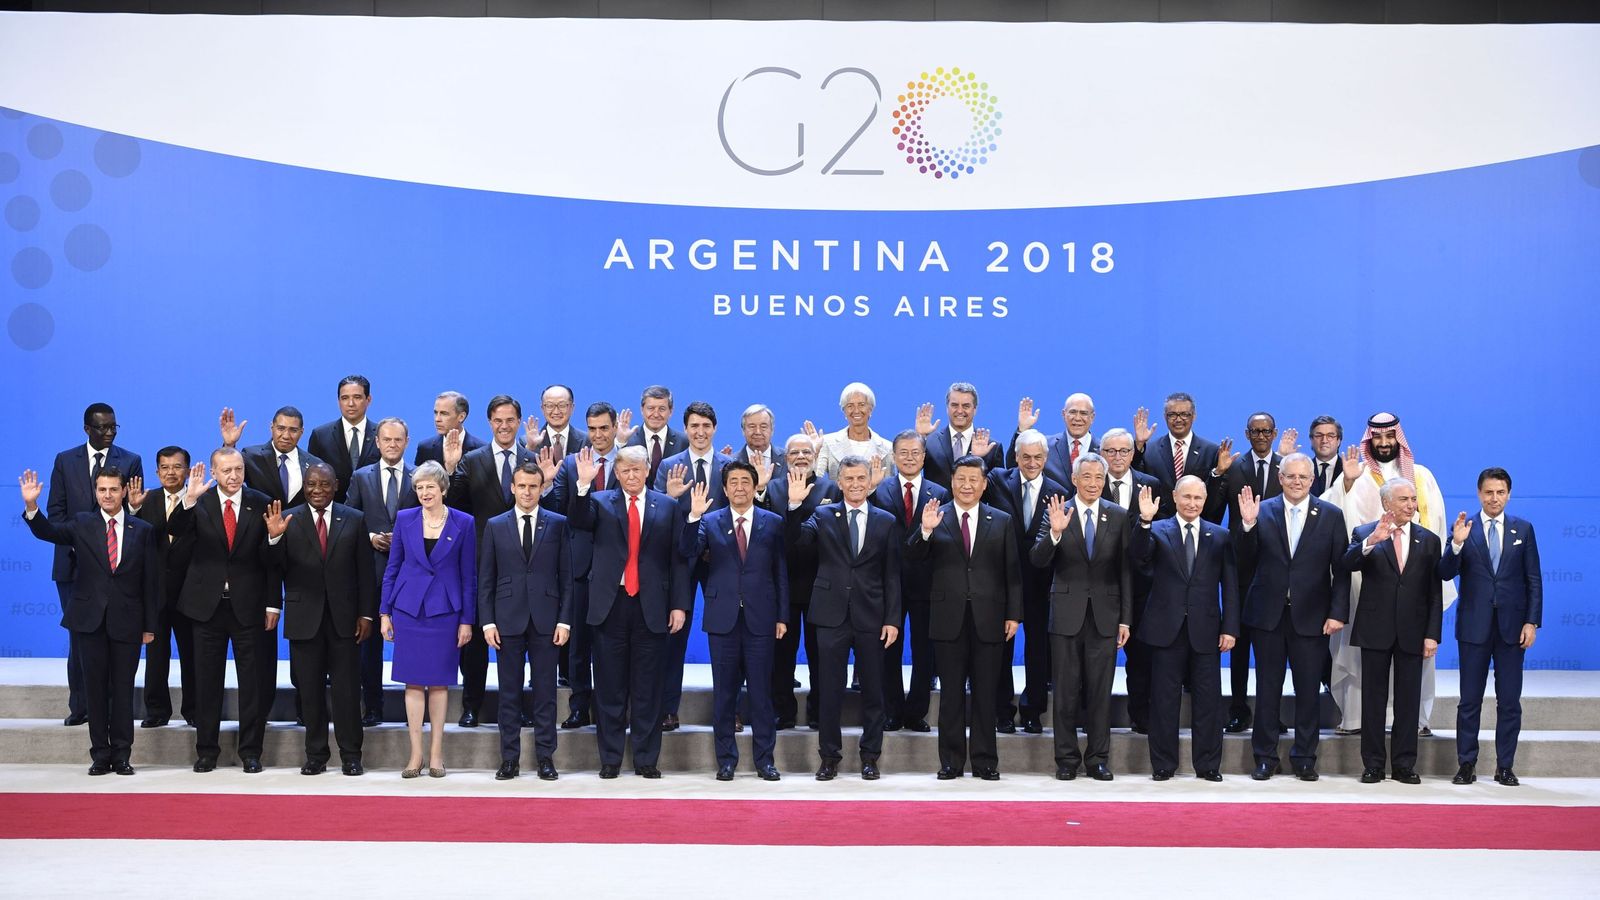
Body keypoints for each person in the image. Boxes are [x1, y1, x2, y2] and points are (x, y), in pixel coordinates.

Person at [21, 466, 157, 775]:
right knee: (94, 689)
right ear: (96, 492)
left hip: (127, 622)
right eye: (102, 490)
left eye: (113, 489)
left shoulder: (142, 529)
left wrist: (149, 626)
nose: (107, 495)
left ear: (124, 491)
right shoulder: (82, 523)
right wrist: (31, 506)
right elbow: (48, 532)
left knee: (123, 690)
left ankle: (122, 755)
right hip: (88, 622)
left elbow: (151, 582)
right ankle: (100, 755)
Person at [1324, 412, 1452, 734]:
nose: (1383, 443)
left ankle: (1414, 722)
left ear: (1399, 439)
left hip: (1414, 584)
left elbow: (1436, 526)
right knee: (1366, 659)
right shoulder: (1357, 473)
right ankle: (1357, 718)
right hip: (1367, 583)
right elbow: (1331, 515)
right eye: (1377, 437)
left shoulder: (1421, 476)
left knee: (1415, 656)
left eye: (1389, 436)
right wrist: (1346, 483)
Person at [569, 445, 689, 779]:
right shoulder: (598, 502)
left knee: (648, 688)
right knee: (609, 687)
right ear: (617, 473)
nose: (632, 476)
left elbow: (678, 559)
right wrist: (583, 485)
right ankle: (610, 759)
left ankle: (646, 759)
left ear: (647, 471)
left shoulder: (668, 506)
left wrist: (679, 605)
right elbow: (578, 522)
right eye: (625, 470)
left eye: (637, 469)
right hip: (610, 605)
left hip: (652, 605)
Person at [785, 455, 901, 782]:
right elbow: (797, 543)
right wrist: (794, 507)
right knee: (829, 691)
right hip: (830, 616)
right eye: (849, 479)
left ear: (870, 481)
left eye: (861, 478)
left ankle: (870, 757)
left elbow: (892, 575)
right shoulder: (822, 515)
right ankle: (829, 757)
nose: (855, 484)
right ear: (839, 482)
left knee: (874, 692)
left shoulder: (886, 520)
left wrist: (892, 619)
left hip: (872, 617)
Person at [905, 455, 1020, 780]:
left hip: (990, 618)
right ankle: (951, 762)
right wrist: (925, 531)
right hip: (948, 619)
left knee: (986, 694)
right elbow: (912, 558)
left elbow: (1013, 573)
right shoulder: (934, 515)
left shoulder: (1001, 520)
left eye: (973, 480)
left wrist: (1014, 614)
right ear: (951, 482)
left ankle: (985, 762)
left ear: (984, 485)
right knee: (951, 694)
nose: (967, 485)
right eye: (961, 479)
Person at [1235, 454, 1349, 781]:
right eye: (1290, 476)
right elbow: (1242, 560)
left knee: (1308, 692)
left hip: (1312, 618)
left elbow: (1341, 569)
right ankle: (1265, 758)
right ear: (1280, 478)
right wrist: (1247, 526)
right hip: (1267, 617)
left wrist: (1337, 613)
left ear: (1312, 480)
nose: (1297, 481)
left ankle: (1304, 758)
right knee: (1267, 690)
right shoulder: (1261, 510)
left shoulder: (1330, 515)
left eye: (1303, 476)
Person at [167, 448, 279, 773]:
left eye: (238, 469)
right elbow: (174, 531)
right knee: (206, 682)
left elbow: (272, 563)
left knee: (252, 683)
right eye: (226, 470)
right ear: (214, 473)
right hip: (206, 607)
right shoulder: (197, 501)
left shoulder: (261, 502)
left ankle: (251, 752)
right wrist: (188, 500)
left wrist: (273, 601)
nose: (233, 476)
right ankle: (206, 752)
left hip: (250, 607)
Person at [681, 462, 788, 781]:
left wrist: (782, 616)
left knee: (761, 693)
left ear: (755, 487)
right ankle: (726, 760)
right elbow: (688, 550)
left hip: (761, 618)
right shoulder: (709, 521)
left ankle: (765, 761)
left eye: (745, 481)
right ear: (725, 489)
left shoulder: (773, 522)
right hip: (722, 619)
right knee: (725, 693)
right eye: (733, 482)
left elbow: (780, 572)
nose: (739, 487)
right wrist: (693, 517)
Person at [269, 463, 377, 776]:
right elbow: (274, 569)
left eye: (324, 484)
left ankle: (351, 755)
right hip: (304, 620)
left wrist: (366, 613)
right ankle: (316, 755)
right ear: (304, 486)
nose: (317, 490)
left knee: (347, 692)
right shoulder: (288, 519)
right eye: (311, 484)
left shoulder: (354, 518)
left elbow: (365, 572)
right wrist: (274, 539)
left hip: (345, 621)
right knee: (310, 692)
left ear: (336, 486)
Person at [1439, 467, 1542, 787]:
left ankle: (1505, 766)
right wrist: (1456, 545)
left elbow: (1533, 580)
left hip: (1512, 629)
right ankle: (1466, 764)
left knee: (1509, 702)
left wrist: (1532, 621)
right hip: (1474, 628)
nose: (1494, 498)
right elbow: (1444, 572)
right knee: (1469, 701)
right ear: (1479, 493)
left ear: (1508, 494)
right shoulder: (1464, 528)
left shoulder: (1523, 529)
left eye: (1500, 492)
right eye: (1488, 492)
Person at [1131, 477, 1239, 782]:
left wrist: (1230, 628)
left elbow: (1230, 585)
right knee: (1164, 700)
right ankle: (1163, 764)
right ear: (1175, 497)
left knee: (1208, 701)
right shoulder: (1157, 530)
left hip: (1206, 630)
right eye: (1187, 497)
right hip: (1165, 630)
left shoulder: (1220, 535)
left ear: (1204, 501)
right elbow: (1138, 558)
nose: (1192, 503)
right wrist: (1144, 521)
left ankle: (1208, 765)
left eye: (1198, 498)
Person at [1032, 453, 1132, 780]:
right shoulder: (1058, 511)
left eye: (1099, 477)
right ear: (1074, 479)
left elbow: (1125, 572)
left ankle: (1098, 759)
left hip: (1105, 617)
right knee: (1065, 692)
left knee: (1100, 693)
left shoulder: (1118, 515)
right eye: (1086, 477)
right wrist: (1055, 533)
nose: (1093, 483)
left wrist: (1125, 619)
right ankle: (1066, 760)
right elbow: (1038, 560)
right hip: (1066, 616)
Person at [221, 404, 324, 723]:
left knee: (305, 634)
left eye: (293, 430)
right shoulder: (250, 456)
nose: (286, 434)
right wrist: (228, 444)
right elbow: (230, 477)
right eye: (281, 428)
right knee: (261, 640)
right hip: (260, 555)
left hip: (303, 557)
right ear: (271, 427)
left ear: (301, 432)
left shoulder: (314, 464)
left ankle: (306, 707)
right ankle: (260, 710)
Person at [47, 402, 143, 726]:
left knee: (115, 638)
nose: (109, 432)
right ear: (87, 429)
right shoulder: (65, 460)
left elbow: (133, 514)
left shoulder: (130, 460)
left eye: (113, 426)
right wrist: (84, 543)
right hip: (72, 566)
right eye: (102, 427)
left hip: (116, 567)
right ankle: (81, 705)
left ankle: (113, 708)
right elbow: (56, 514)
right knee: (80, 637)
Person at [1341, 478, 1442, 785]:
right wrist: (1373, 541)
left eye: (1413, 499)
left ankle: (1404, 765)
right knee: (1372, 700)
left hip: (1413, 631)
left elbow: (1434, 592)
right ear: (1386, 503)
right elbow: (1347, 563)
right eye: (1403, 499)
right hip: (1376, 630)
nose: (1411, 505)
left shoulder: (1429, 540)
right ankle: (1373, 765)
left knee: (1408, 701)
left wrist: (1432, 634)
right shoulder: (1365, 533)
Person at [379, 461, 476, 778]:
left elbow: (468, 576)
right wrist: (384, 612)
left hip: (444, 613)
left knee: (438, 682)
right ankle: (415, 755)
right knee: (412, 682)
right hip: (408, 610)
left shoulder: (464, 522)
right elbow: (393, 568)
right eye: (419, 487)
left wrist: (467, 620)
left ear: (443, 489)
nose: (424, 492)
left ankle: (436, 754)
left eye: (430, 487)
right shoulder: (405, 518)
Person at [445, 393, 535, 727]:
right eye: (498, 420)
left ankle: (517, 706)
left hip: (522, 564)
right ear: (489, 423)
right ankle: (471, 706)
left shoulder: (532, 458)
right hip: (480, 562)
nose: (504, 426)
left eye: (510, 420)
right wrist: (451, 468)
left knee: (516, 642)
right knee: (475, 642)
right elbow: (453, 505)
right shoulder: (471, 459)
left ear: (519, 422)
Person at [479, 462, 571, 782]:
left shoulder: (558, 524)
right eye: (522, 486)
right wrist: (487, 622)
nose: (527, 492)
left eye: (533, 486)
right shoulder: (495, 525)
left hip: (547, 621)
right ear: (512, 488)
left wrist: (565, 621)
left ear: (542, 488)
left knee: (545, 693)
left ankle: (545, 758)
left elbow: (567, 578)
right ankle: (509, 760)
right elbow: (486, 579)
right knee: (509, 694)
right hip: (507, 620)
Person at [976, 427, 1068, 733]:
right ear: (1015, 457)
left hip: (1041, 581)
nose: (1031, 462)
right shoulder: (998, 479)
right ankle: (1002, 711)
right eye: (1025, 456)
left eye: (1037, 457)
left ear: (1046, 458)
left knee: (1038, 649)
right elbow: (968, 486)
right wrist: (978, 457)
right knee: (1001, 648)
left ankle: (1032, 711)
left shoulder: (1058, 490)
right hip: (1001, 580)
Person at [654, 401, 737, 731]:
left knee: (727, 638)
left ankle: (729, 710)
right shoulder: (669, 466)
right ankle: (667, 709)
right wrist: (672, 497)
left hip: (721, 561)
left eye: (706, 426)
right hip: (680, 559)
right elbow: (656, 514)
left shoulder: (730, 465)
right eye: (694, 426)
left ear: (714, 428)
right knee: (674, 636)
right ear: (685, 429)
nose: (700, 432)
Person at [542, 401, 623, 730]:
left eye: (604, 428)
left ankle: (609, 707)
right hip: (579, 565)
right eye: (592, 429)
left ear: (615, 427)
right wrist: (555, 484)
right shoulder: (572, 463)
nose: (598, 435)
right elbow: (561, 510)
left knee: (611, 643)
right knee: (578, 643)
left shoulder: (629, 461)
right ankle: (579, 706)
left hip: (617, 566)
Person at [868, 430, 947, 732]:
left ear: (924, 457)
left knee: (924, 651)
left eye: (915, 452)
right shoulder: (880, 489)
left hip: (927, 583)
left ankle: (916, 713)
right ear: (894, 456)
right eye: (903, 452)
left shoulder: (939, 493)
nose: (910, 458)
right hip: (888, 582)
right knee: (889, 649)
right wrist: (870, 489)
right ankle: (892, 711)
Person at [344, 417, 418, 725]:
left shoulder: (419, 476)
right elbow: (347, 520)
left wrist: (401, 539)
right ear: (377, 442)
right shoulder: (361, 477)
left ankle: (416, 711)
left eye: (398, 440)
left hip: (411, 574)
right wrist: (371, 537)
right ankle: (373, 707)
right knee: (369, 645)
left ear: (407, 442)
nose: (392, 445)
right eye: (386, 439)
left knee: (413, 642)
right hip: (371, 572)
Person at [765, 433, 841, 730]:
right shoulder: (773, 487)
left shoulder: (830, 488)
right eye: (794, 452)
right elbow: (768, 532)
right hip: (781, 583)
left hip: (820, 584)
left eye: (806, 452)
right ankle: (783, 712)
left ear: (815, 456)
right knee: (781, 655)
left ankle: (818, 712)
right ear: (785, 458)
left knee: (820, 655)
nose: (800, 457)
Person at [1098, 427, 1170, 733]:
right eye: (1110, 451)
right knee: (1094, 657)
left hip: (1142, 584)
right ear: (1101, 454)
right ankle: (1090, 717)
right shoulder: (1091, 482)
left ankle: (1141, 716)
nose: (1117, 457)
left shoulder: (1150, 484)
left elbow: (1162, 531)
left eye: (1124, 451)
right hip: (1099, 582)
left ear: (1133, 454)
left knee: (1141, 657)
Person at [1218, 412, 1286, 734]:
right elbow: (1214, 509)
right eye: (1255, 431)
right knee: (1240, 644)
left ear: (1274, 433)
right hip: (1240, 566)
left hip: (1277, 567)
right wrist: (1217, 474)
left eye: (1266, 431)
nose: (1261, 436)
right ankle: (1238, 709)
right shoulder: (1234, 467)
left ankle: (1272, 713)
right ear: (1247, 434)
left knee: (1273, 649)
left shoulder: (1287, 468)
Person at [132, 445, 196, 728]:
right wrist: (133, 509)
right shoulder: (145, 501)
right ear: (157, 472)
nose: (171, 472)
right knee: (156, 656)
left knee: (192, 655)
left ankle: (195, 710)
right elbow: (131, 539)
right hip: (153, 593)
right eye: (165, 467)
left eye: (177, 467)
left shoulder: (199, 500)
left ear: (188, 470)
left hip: (190, 594)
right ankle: (156, 711)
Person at [1132, 392, 1225, 523]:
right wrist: (1139, 445)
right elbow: (1135, 478)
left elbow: (1215, 498)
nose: (1178, 419)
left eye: (1184, 414)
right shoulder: (1149, 450)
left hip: (1197, 526)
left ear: (1194, 416)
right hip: (1159, 527)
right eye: (1172, 415)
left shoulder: (1211, 451)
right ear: (1165, 417)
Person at [307, 375, 379, 503]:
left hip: (372, 508)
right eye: (345, 398)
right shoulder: (320, 435)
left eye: (357, 397)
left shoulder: (381, 434)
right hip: (333, 509)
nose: (351, 404)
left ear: (368, 400)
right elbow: (312, 478)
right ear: (338, 401)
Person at [917, 382, 1004, 488]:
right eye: (954, 405)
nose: (959, 411)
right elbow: (909, 472)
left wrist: (977, 459)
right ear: (947, 407)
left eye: (966, 406)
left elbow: (998, 490)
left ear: (975, 409)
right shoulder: (929, 442)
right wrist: (920, 438)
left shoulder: (991, 448)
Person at [1010, 393, 1098, 488]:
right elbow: (1013, 468)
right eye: (1072, 412)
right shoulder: (1044, 445)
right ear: (1064, 414)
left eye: (1083, 413)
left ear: (1092, 417)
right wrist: (1023, 430)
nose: (1077, 418)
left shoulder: (1104, 451)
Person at [812, 383, 894, 479]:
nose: (856, 410)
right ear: (844, 411)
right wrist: (814, 454)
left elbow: (889, 485)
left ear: (870, 409)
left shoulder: (887, 448)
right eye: (850, 406)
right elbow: (816, 480)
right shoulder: (828, 442)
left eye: (861, 405)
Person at [625, 385, 687, 484]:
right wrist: (620, 442)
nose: (656, 414)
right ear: (642, 410)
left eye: (662, 409)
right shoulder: (628, 441)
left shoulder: (684, 442)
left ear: (671, 411)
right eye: (651, 408)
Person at [414, 391, 485, 467]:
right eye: (436, 413)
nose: (437, 419)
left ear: (461, 417)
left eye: (444, 414)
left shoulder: (481, 450)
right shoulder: (425, 448)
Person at [522, 384, 588, 460]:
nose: (556, 412)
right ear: (542, 409)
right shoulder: (525, 442)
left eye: (562, 405)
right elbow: (521, 466)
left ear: (572, 408)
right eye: (550, 406)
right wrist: (530, 447)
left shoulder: (586, 440)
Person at [729, 403, 785, 478]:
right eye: (752, 426)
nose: (758, 432)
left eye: (763, 427)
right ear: (743, 430)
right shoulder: (731, 462)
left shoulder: (786, 458)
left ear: (772, 430)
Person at [1307, 416, 1344, 497]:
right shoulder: (1304, 469)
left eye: (1330, 436)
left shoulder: (1347, 470)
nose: (1324, 440)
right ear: (1311, 440)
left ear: (1338, 441)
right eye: (1319, 435)